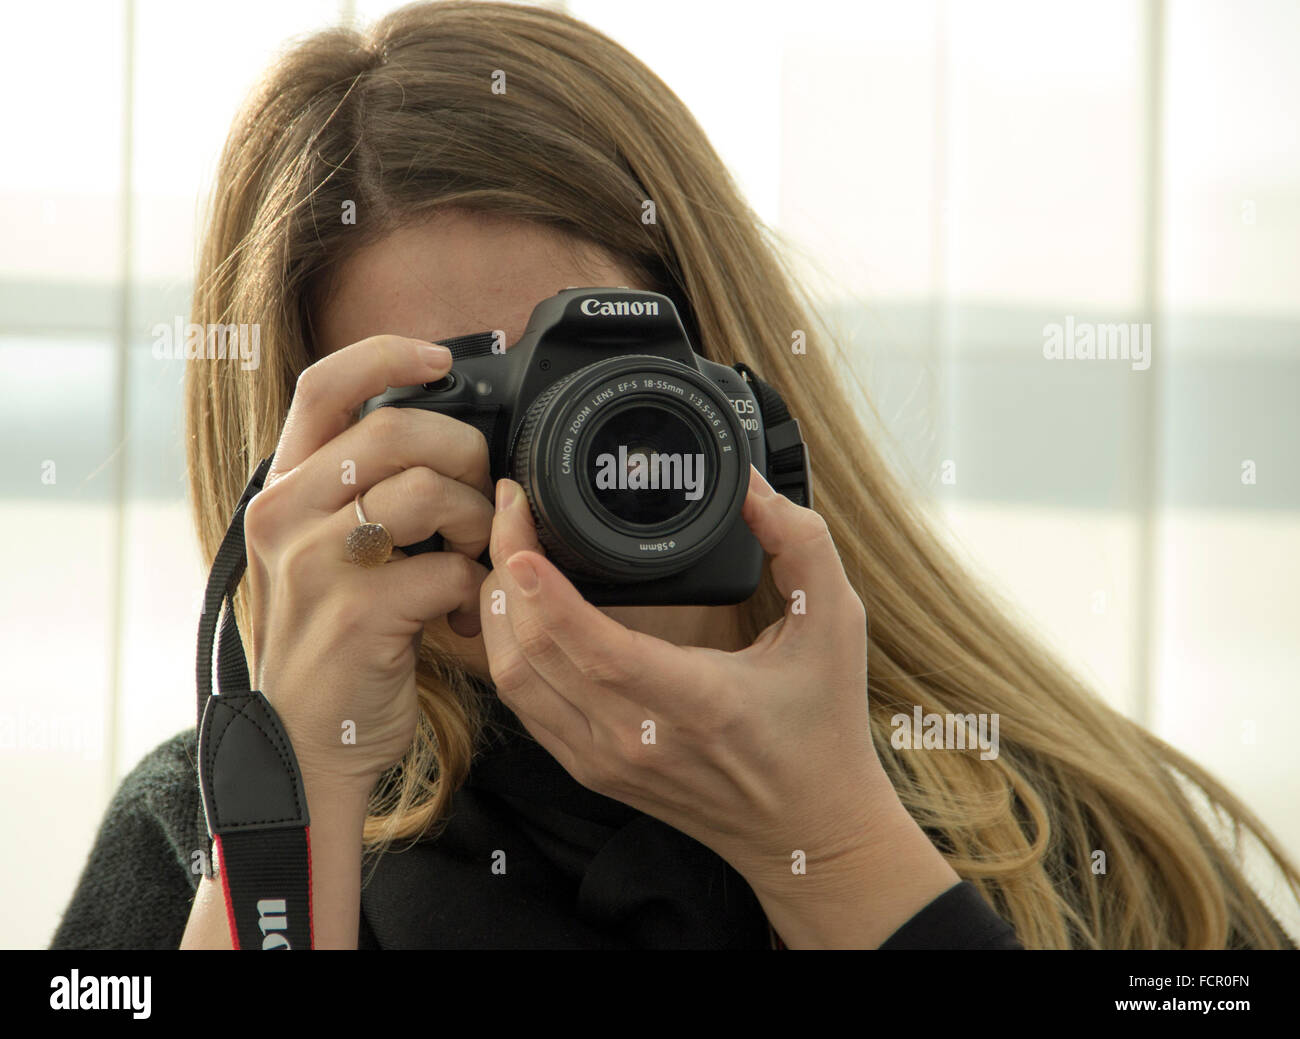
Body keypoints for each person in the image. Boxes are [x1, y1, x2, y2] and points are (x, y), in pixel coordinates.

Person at [51, 0, 1299, 950]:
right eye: (465, 405)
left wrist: (833, 844)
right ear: (312, 470)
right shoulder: (210, 829)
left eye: (595, 373)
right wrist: (297, 797)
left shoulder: (1071, 827)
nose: (554, 465)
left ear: (740, 385)